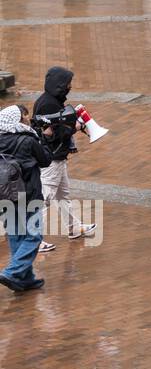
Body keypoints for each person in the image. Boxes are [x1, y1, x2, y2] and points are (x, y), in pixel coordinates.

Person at [32, 67, 94, 251]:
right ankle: (34, 240)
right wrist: (75, 126)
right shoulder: (48, 104)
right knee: (45, 198)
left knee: (62, 195)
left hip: (57, 157)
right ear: (60, 85)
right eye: (68, 83)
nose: (70, 87)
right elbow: (55, 133)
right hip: (52, 159)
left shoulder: (50, 100)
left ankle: (74, 227)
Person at [0, 105, 51, 293]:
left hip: (5, 195)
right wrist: (44, 137)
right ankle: (12, 272)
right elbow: (46, 160)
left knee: (16, 235)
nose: (27, 119)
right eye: (24, 116)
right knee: (34, 236)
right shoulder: (27, 140)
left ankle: (25, 278)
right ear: (17, 120)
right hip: (29, 195)